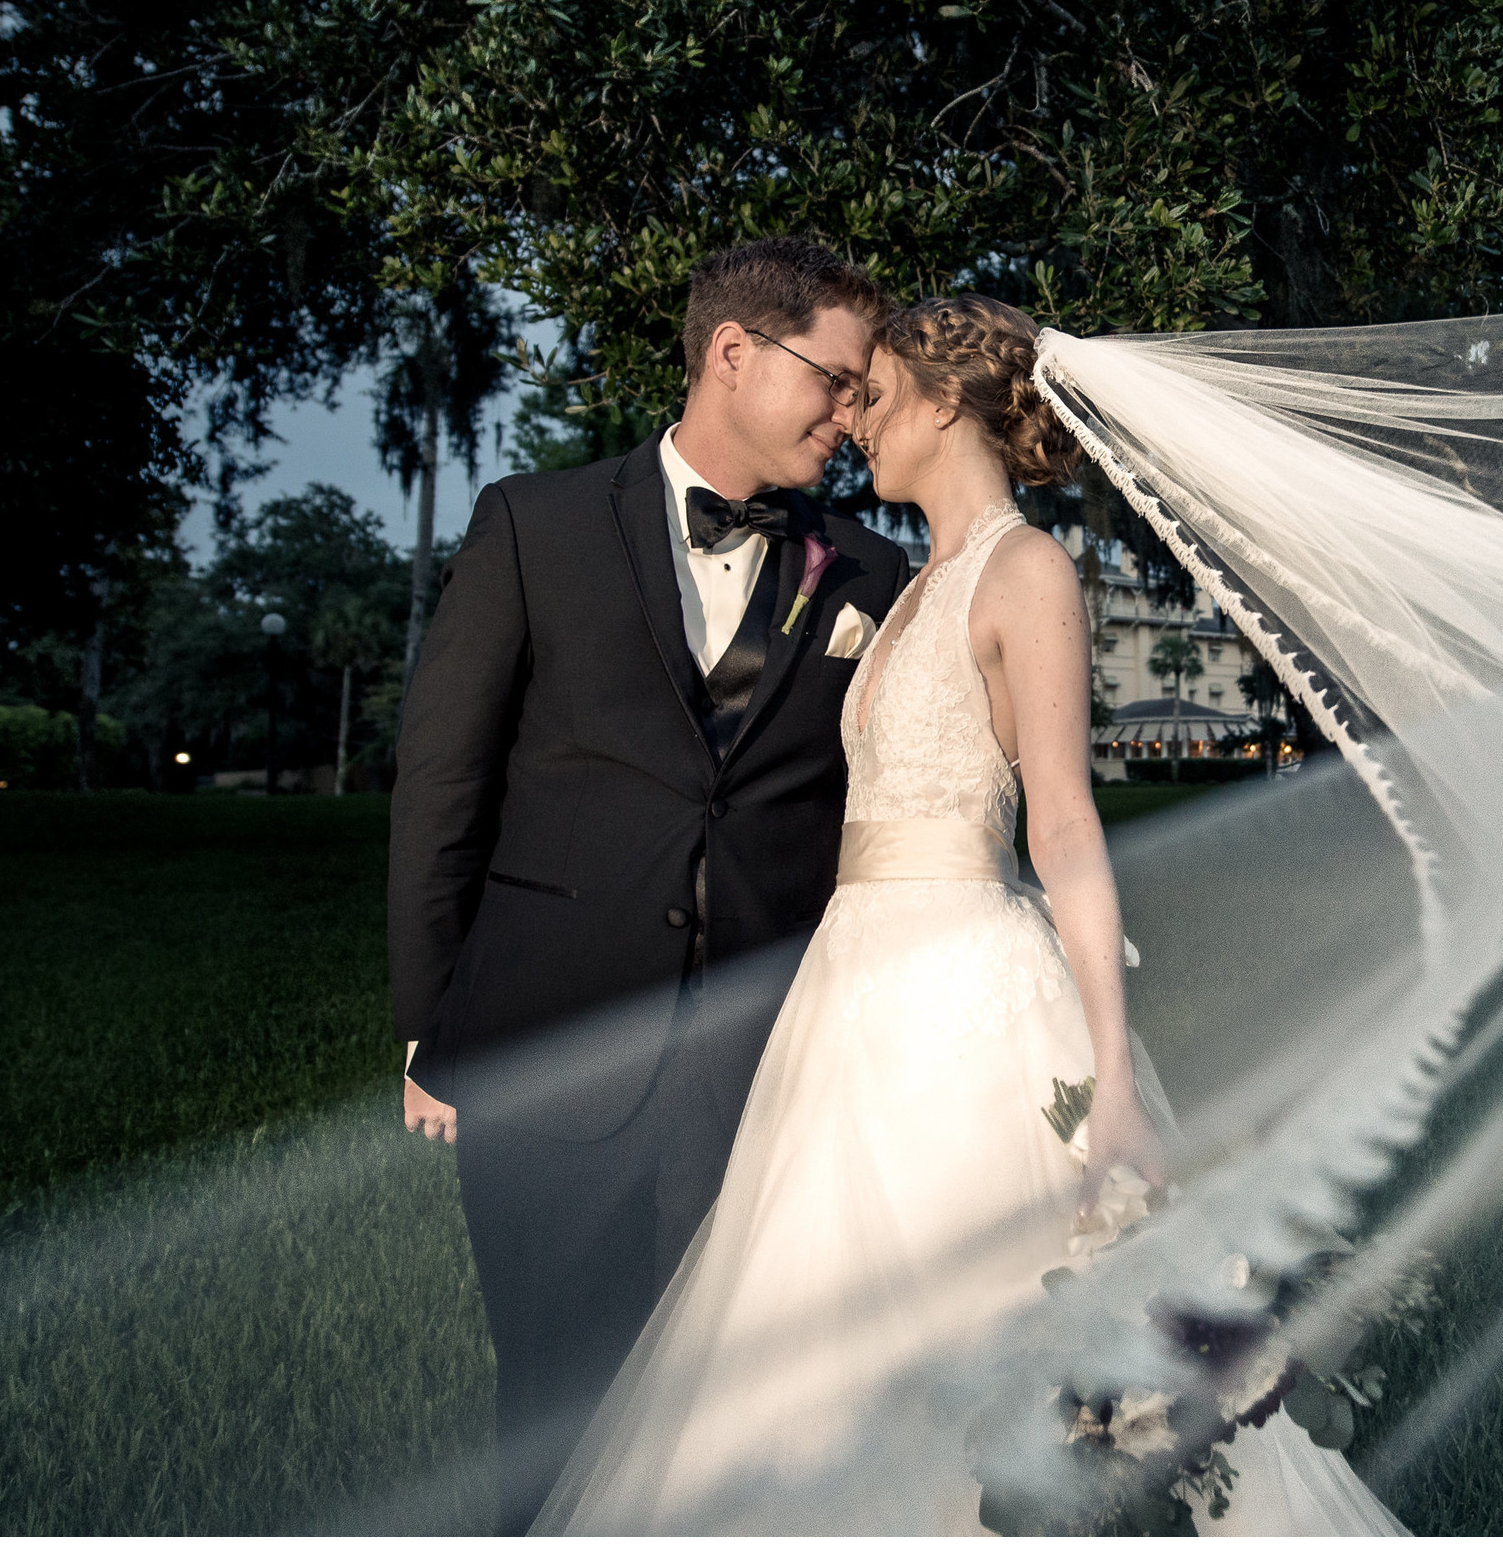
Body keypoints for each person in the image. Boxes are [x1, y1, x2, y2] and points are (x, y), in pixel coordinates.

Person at [533, 296, 1405, 1534]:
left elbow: (1061, 825)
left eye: (873, 394)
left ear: (946, 401)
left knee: (980, 1312)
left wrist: (1110, 1071)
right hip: (852, 1000)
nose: (853, 419)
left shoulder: (1026, 567)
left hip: (965, 1007)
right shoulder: (907, 584)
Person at [386, 238, 913, 1533]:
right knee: (554, 1398)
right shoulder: (534, 523)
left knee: (729, 1414)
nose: (851, 417)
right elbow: (442, 787)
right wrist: (432, 1024)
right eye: (836, 381)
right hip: (545, 1038)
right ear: (733, 351)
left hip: (760, 1061)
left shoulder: (870, 575)